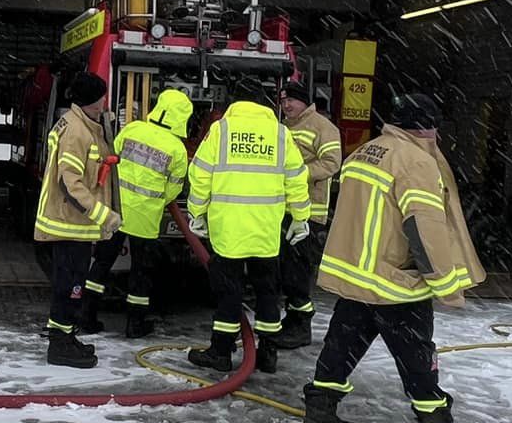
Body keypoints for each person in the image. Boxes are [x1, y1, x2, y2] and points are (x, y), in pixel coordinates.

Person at [299, 89, 488, 423]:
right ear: (427, 128)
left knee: (341, 345)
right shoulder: (415, 162)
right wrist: (445, 286)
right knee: (417, 356)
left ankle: (320, 412)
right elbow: (423, 228)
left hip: (356, 276)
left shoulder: (367, 151)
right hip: (392, 280)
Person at [185, 78, 309, 375]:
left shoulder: (221, 130)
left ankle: (221, 352)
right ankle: (266, 353)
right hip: (266, 230)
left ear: (233, 104)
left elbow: (200, 175)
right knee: (268, 292)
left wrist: (196, 212)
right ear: (266, 104)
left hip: (228, 229)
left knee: (229, 293)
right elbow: (296, 178)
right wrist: (301, 217)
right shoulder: (280, 134)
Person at [79, 88, 194, 339]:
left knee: (101, 264)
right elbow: (173, 190)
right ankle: (135, 324)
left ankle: (86, 315)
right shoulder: (177, 149)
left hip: (116, 210)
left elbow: (113, 158)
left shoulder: (133, 129)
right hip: (146, 218)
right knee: (141, 273)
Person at [34, 70, 118, 368]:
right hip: (67, 226)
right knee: (69, 288)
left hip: (73, 227)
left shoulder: (82, 124)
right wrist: (103, 216)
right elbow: (71, 185)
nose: (106, 102)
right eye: (103, 97)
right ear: (92, 101)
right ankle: (60, 347)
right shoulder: (76, 132)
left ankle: (66, 337)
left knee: (70, 286)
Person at [274, 81, 343, 348]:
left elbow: (331, 163)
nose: (287, 105)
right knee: (286, 270)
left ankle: (301, 326)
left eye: (291, 100)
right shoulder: (283, 129)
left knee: (297, 271)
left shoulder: (323, 127)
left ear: (305, 101)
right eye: (283, 101)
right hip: (284, 209)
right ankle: (292, 322)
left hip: (308, 214)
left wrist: (297, 174)